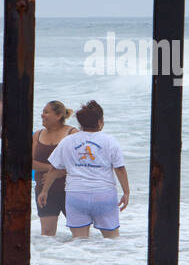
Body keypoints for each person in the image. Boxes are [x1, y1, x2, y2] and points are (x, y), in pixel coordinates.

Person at [37, 100, 129, 238]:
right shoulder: (109, 141)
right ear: (100, 121)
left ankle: (80, 259)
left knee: (79, 240)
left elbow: (54, 169)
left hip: (76, 195)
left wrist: (44, 191)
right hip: (103, 194)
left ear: (81, 123)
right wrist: (126, 192)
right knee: (112, 239)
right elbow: (119, 168)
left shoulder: (68, 141)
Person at [32, 101, 76, 236]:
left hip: (69, 190)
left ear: (58, 116)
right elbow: (30, 162)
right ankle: (48, 256)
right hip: (44, 190)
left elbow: (81, 162)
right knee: (46, 233)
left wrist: (62, 172)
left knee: (79, 233)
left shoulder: (72, 133)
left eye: (46, 112)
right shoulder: (38, 134)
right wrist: (53, 169)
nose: (42, 115)